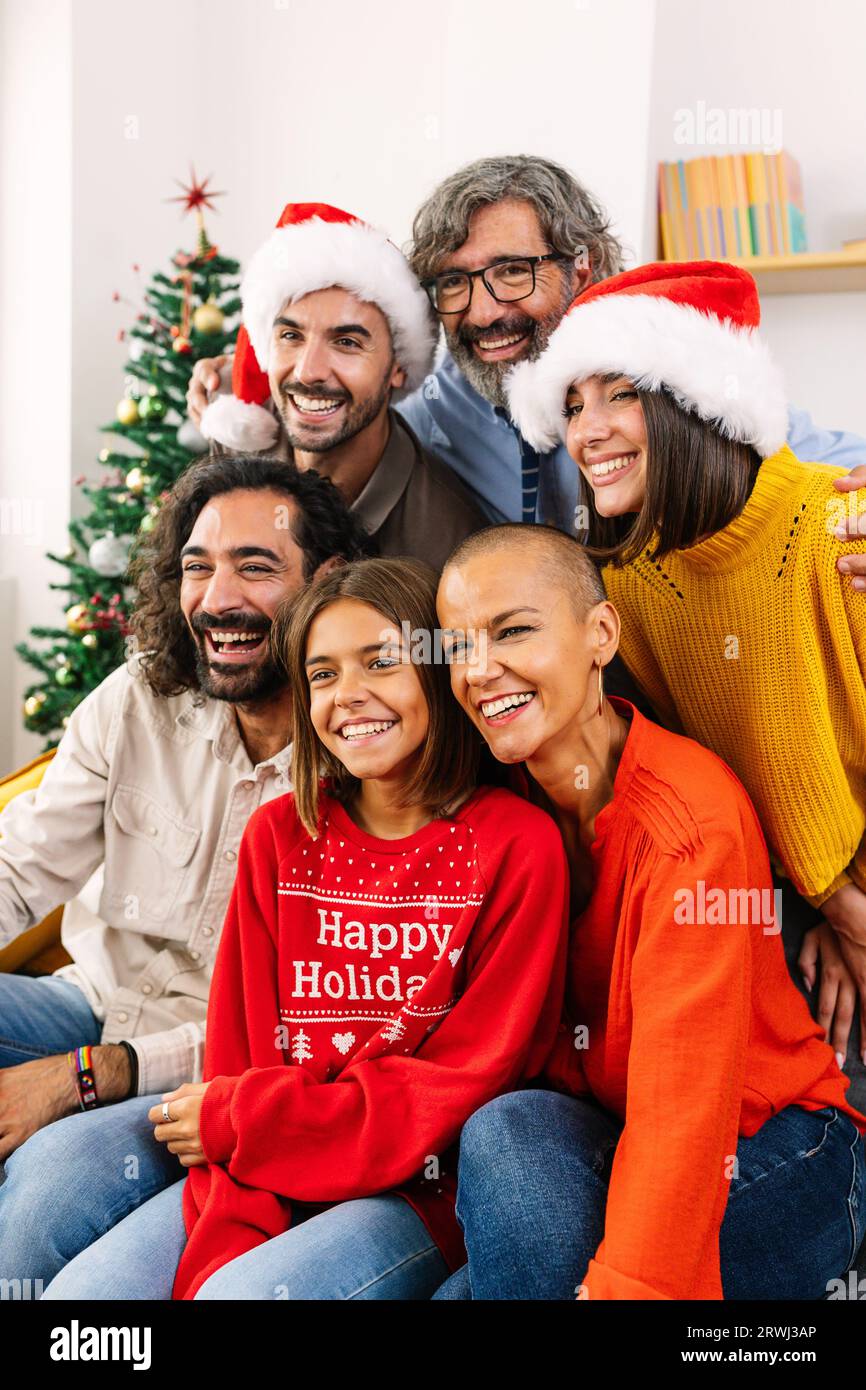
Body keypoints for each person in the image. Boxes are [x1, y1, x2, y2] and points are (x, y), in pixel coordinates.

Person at [42, 557, 569, 1301]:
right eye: (321, 675)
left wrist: (252, 1126)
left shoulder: (515, 846)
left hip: (416, 1190)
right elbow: (241, 1064)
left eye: (380, 662)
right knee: (84, 1304)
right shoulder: (280, 836)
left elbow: (460, 1088)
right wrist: (233, 1228)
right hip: (262, 1165)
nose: (348, 696)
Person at [433, 523, 866, 1300]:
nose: (480, 670)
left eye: (513, 632)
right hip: (619, 1126)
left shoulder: (688, 823)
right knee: (505, 1134)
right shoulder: (506, 802)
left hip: (782, 1149)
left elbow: (684, 1113)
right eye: (457, 646)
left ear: (600, 634)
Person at [0, 454, 371, 1289]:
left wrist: (88, 1079)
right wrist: (78, 1057)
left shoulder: (363, 759)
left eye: (256, 565)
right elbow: (18, 867)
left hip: (210, 1074)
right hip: (85, 1002)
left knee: (43, 1196)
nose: (218, 598)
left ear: (331, 580)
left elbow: (291, 1042)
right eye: (198, 567)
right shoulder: (138, 699)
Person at [505, 259, 866, 1108]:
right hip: (809, 912)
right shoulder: (629, 583)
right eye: (571, 404)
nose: (586, 431)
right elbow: (721, 790)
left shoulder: (836, 531)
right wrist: (827, 909)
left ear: (700, 399)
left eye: (620, 393)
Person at [188, 157, 866, 532]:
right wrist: (248, 377)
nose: (486, 313)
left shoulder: (666, 375)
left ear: (582, 268)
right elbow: (339, 400)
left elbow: (816, 456)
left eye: (514, 272)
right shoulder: (439, 396)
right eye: (454, 283)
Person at [196, 200, 487, 569]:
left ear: (398, 367)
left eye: (347, 342)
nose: (307, 372)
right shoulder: (237, 451)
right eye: (290, 335)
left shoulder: (446, 545)